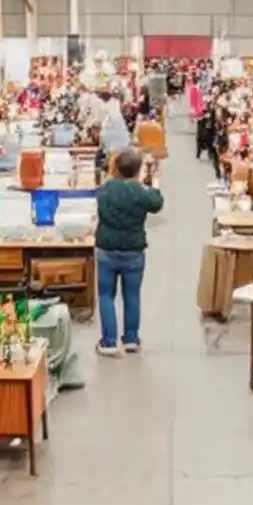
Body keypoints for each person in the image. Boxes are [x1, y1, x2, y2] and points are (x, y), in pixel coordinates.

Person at [94, 147, 164, 356]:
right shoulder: (140, 191)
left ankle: (108, 341)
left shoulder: (106, 189)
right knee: (132, 295)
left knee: (106, 295)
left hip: (107, 249)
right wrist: (153, 183)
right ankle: (131, 339)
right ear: (137, 170)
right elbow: (157, 203)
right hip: (133, 251)